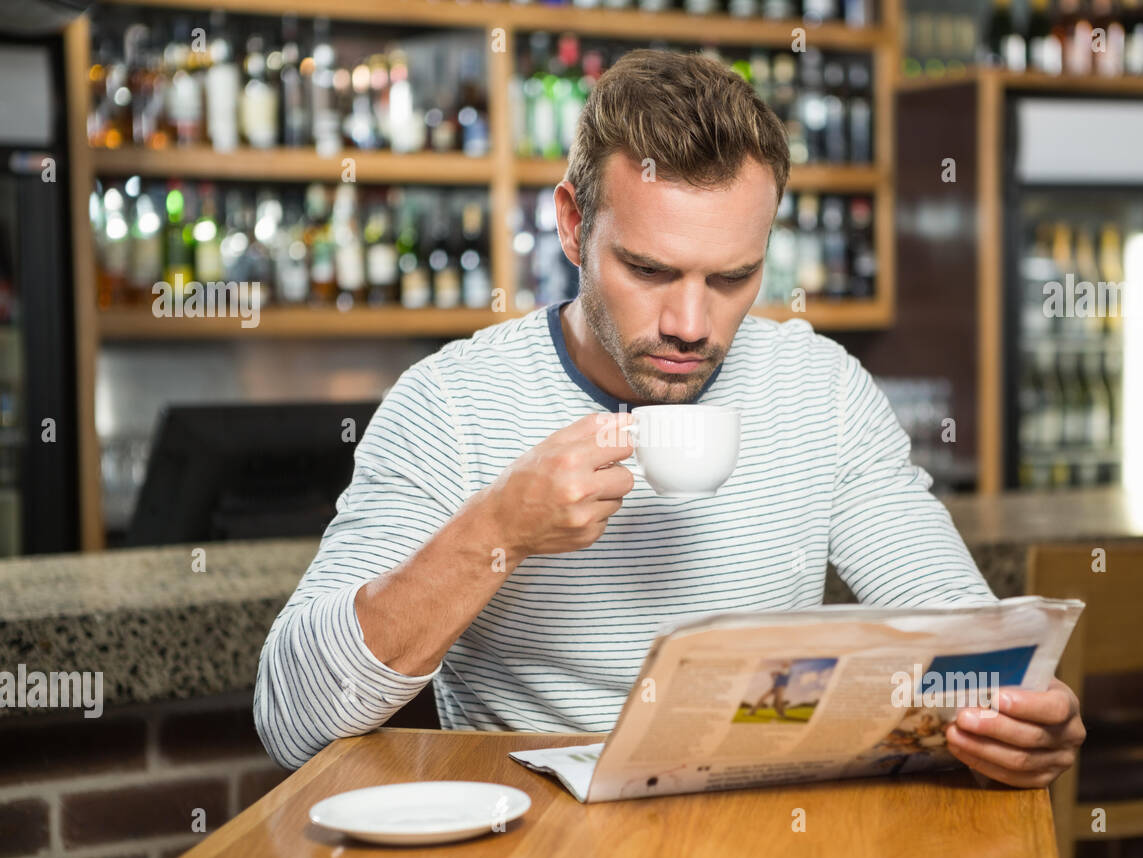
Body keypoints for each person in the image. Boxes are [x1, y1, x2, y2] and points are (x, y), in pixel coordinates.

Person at [254, 50, 1086, 789]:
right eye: (650, 269)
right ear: (575, 226)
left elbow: (963, 633)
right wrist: (498, 527)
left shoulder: (821, 388)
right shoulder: (452, 403)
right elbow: (292, 720)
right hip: (542, 845)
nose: (692, 323)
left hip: (759, 827)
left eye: (732, 277)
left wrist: (1019, 724)